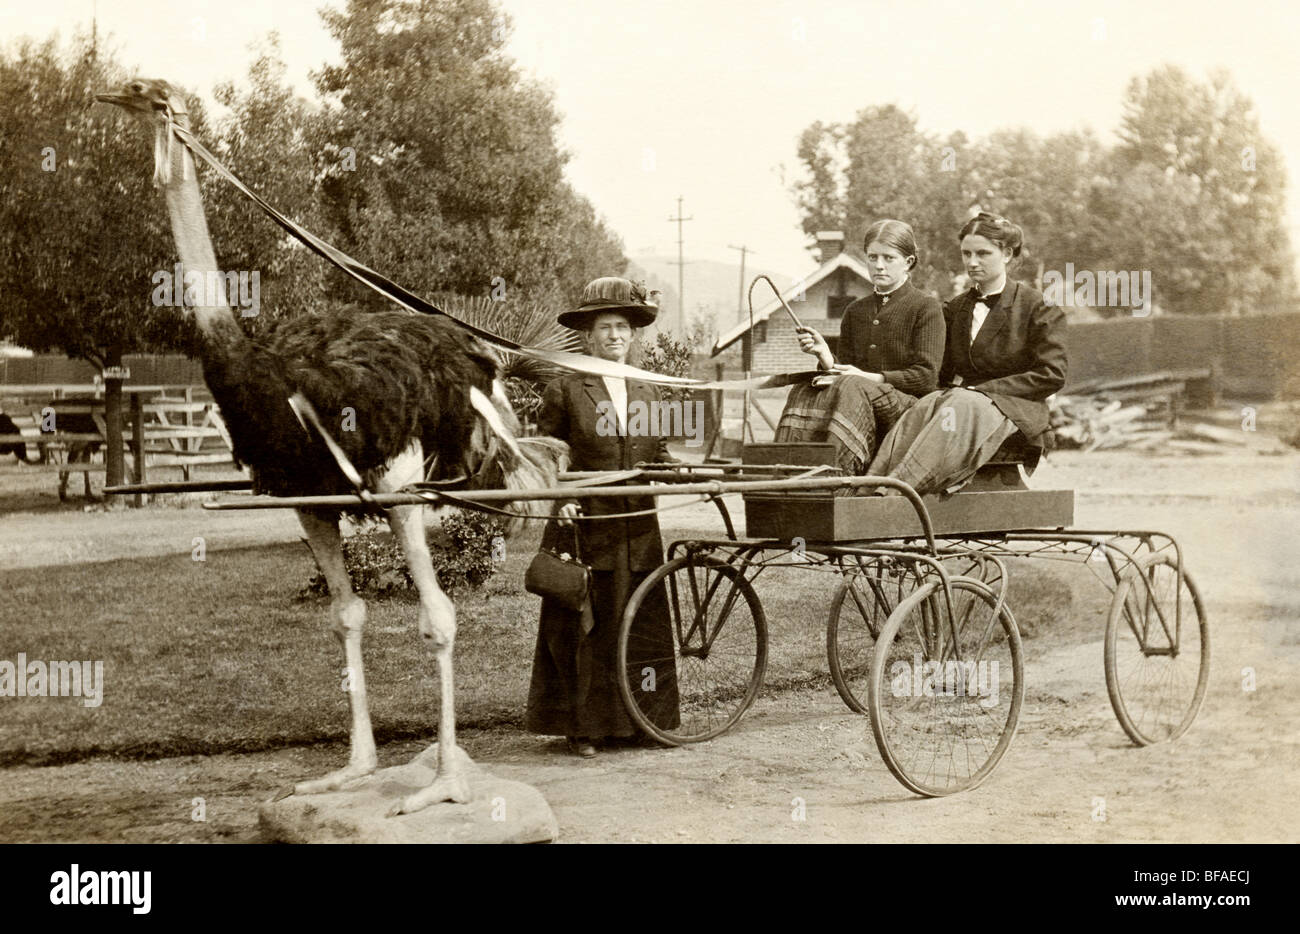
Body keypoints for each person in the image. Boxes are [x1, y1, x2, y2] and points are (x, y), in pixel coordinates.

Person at [525, 277, 680, 757]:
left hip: (639, 525)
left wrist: (689, 474)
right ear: (587, 337)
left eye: (621, 327)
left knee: (642, 619)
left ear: (633, 336)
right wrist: (560, 499)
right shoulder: (567, 388)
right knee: (589, 623)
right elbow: (547, 455)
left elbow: (657, 454)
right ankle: (585, 727)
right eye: (604, 328)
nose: (614, 336)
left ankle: (645, 723)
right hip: (587, 524)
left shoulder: (648, 390)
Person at [867, 212, 1067, 494]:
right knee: (927, 404)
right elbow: (941, 370)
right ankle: (870, 487)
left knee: (960, 403)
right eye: (966, 253)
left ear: (1007, 253)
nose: (972, 262)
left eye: (983, 253)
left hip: (1017, 408)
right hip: (967, 403)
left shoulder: (1038, 306)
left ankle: (897, 494)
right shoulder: (956, 309)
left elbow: (1052, 375)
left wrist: (981, 391)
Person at [775, 219, 945, 474]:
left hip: (911, 409)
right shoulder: (856, 311)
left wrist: (868, 377)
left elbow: (926, 378)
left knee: (853, 387)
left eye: (889, 258)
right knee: (804, 388)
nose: (878, 265)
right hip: (859, 398)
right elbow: (846, 371)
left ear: (908, 262)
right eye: (872, 257)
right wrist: (826, 359)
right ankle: (785, 474)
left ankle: (835, 478)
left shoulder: (926, 307)